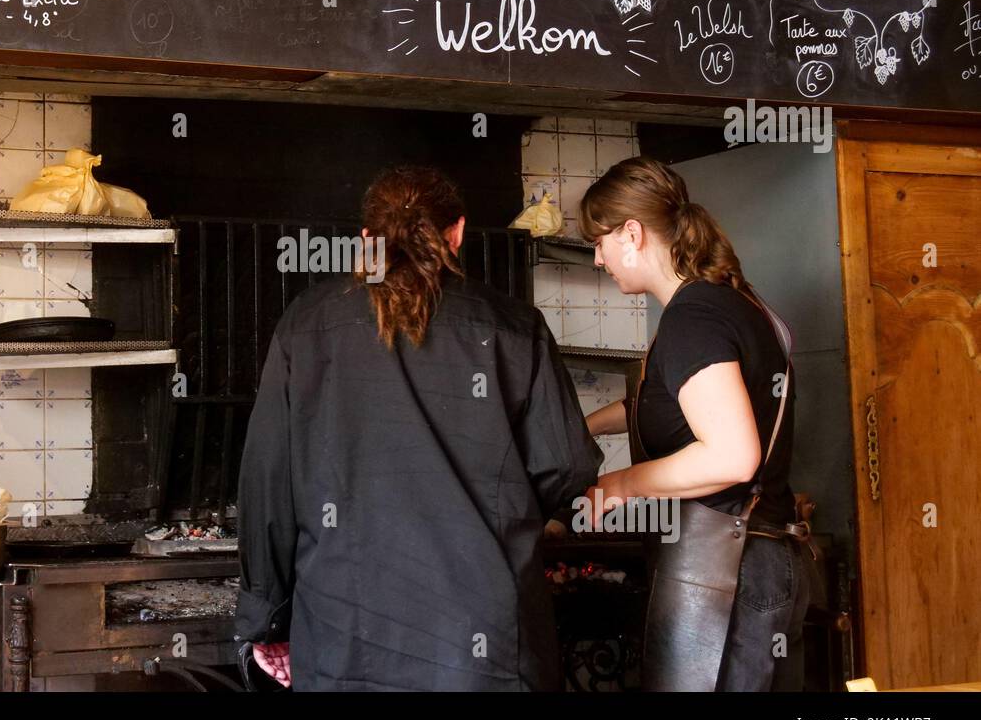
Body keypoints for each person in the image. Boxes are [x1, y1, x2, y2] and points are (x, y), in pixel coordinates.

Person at [235, 165, 602, 691]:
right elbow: (568, 463)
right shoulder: (516, 327)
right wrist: (504, 514)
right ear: (457, 232)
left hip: (345, 640)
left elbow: (268, 481)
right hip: (486, 647)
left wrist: (264, 617)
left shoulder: (306, 323)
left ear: (365, 240)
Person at [577, 155, 809, 691]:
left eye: (600, 240)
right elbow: (675, 408)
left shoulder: (691, 317)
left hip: (733, 571)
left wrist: (623, 483)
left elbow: (731, 455)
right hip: (767, 559)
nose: (597, 258)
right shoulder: (729, 304)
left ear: (631, 233)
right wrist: (585, 425)